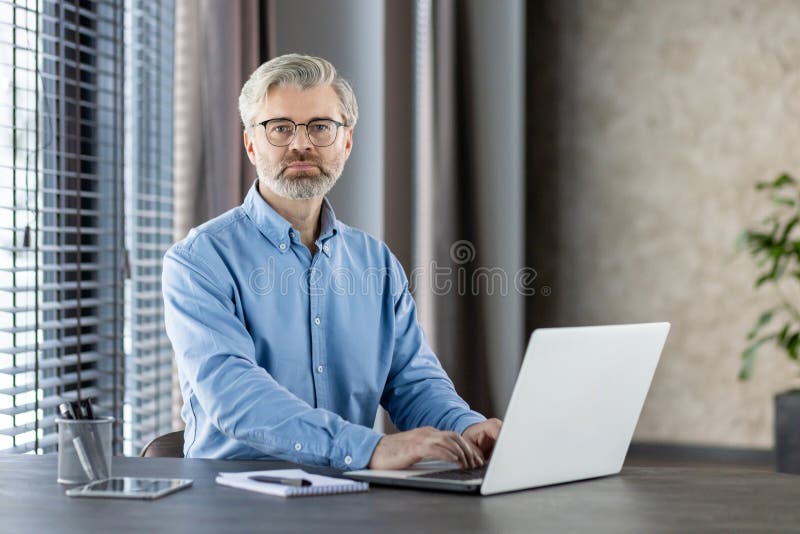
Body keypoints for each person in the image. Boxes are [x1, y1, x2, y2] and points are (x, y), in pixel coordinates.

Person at [163, 53, 501, 471]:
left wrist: (466, 428)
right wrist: (371, 449)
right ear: (251, 143)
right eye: (280, 127)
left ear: (347, 141)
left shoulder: (376, 263)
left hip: (349, 495)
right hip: (233, 501)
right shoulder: (198, 262)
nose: (300, 143)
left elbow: (414, 382)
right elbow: (235, 397)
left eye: (320, 127)